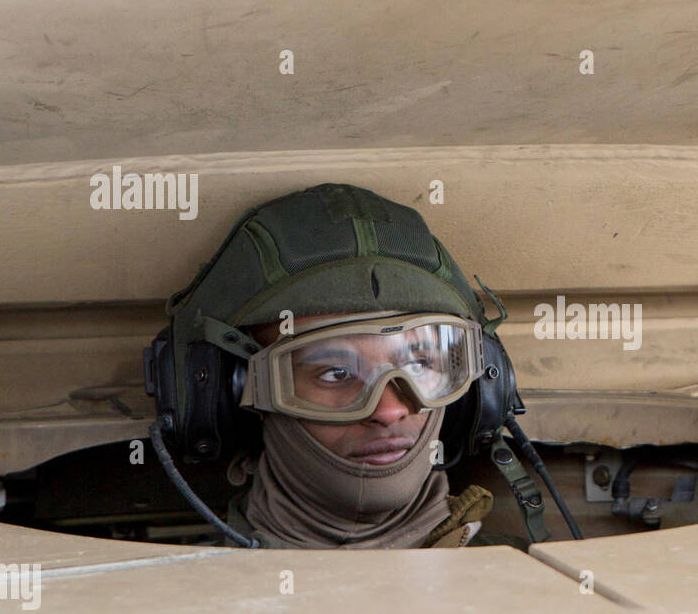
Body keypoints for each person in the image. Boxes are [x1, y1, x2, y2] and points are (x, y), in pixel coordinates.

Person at [160, 182, 497, 549]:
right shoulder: (179, 601)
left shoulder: (532, 585)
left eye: (418, 364)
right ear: (238, 390)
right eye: (336, 373)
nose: (390, 410)